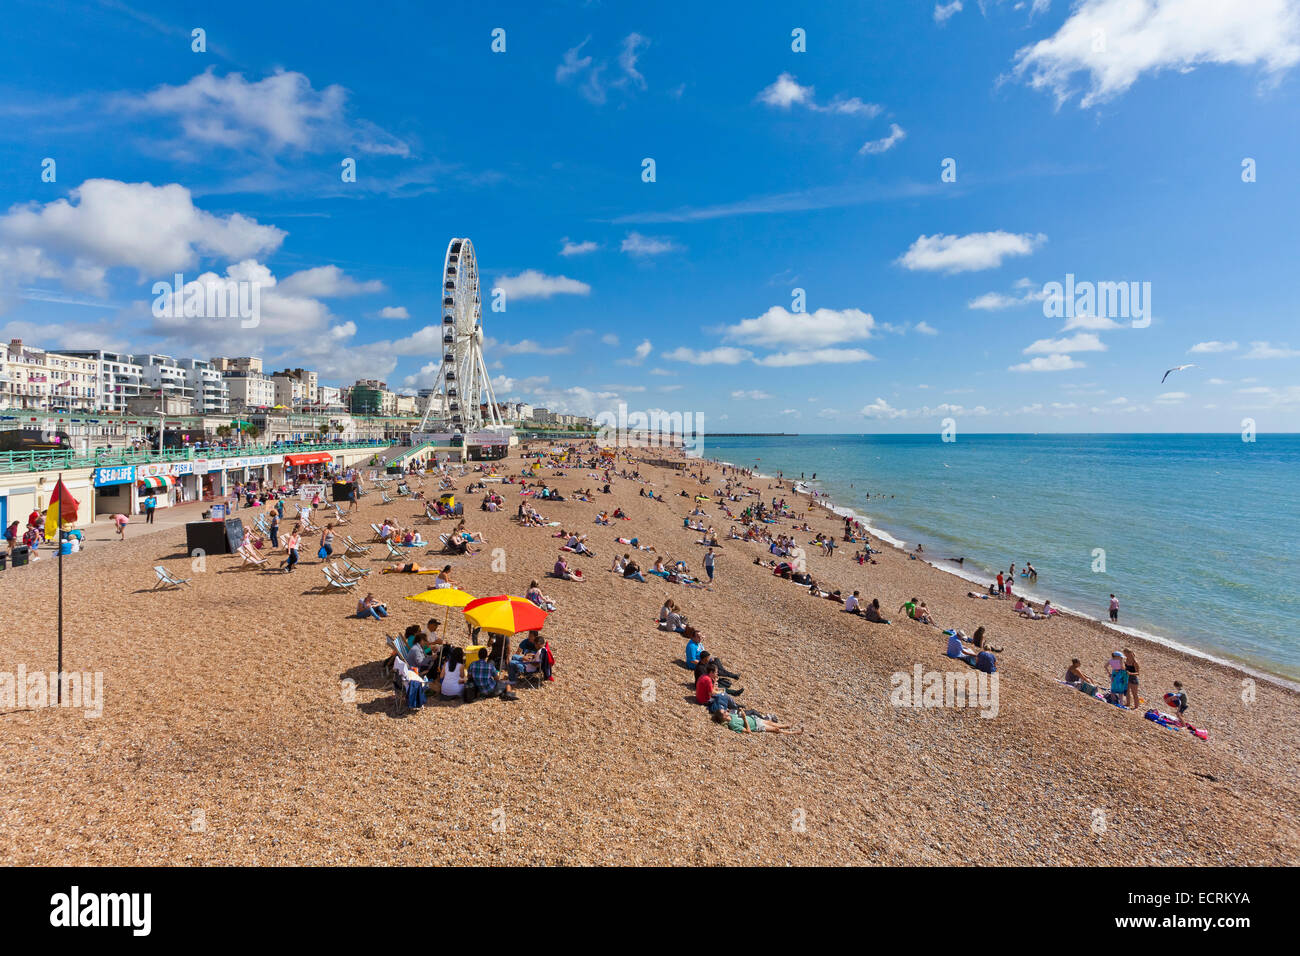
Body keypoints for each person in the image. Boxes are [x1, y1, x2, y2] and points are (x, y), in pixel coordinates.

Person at [713, 709, 803, 735]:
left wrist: (742, 711)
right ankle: (794, 732)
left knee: (772, 723)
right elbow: (748, 731)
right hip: (756, 726)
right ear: (723, 717)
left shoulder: (731, 716)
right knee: (776, 729)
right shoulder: (732, 725)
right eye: (724, 712)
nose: (726, 711)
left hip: (754, 719)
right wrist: (744, 719)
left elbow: (735, 712)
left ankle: (788, 726)